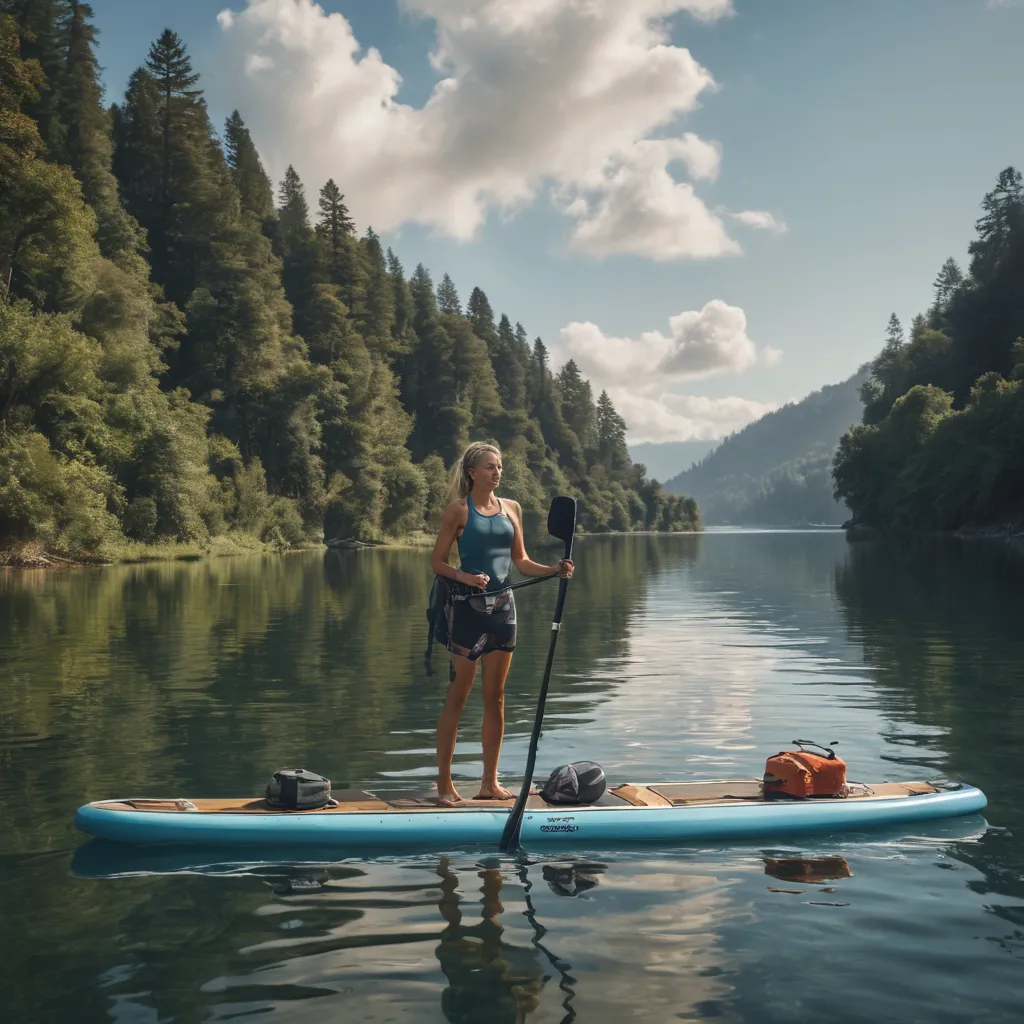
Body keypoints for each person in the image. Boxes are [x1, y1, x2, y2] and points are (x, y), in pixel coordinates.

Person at [430, 442, 573, 805]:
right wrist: (463, 577)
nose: (498, 472)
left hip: (503, 611)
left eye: (500, 466)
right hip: (467, 611)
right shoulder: (458, 511)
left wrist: (554, 570)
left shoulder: (512, 509)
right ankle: (445, 785)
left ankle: (489, 783)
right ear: (472, 473)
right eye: (490, 467)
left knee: (496, 697)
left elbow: (521, 561)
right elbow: (437, 562)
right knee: (459, 696)